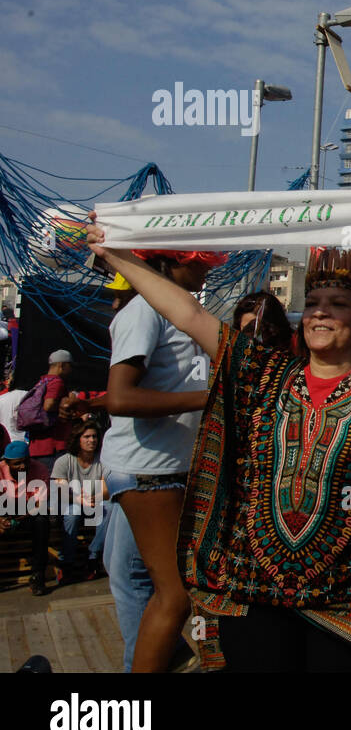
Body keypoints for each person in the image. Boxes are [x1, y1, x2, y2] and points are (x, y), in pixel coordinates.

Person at [87, 223, 351, 673]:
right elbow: (188, 314)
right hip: (256, 588)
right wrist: (115, 254)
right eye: (312, 304)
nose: (320, 314)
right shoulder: (266, 376)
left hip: (350, 598)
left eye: (337, 305)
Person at [98, 249, 222, 673]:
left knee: (133, 579)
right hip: (149, 472)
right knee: (174, 593)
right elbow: (121, 397)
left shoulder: (177, 312)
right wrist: (208, 400)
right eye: (200, 260)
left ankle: (160, 658)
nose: (208, 268)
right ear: (170, 262)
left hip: (160, 469)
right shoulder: (144, 312)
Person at [51, 420, 109, 582]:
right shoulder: (64, 461)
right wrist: (80, 500)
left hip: (93, 502)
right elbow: (61, 491)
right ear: (78, 439)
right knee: (73, 512)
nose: (92, 440)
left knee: (109, 508)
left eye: (95, 436)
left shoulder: (102, 460)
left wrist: (94, 498)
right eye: (87, 436)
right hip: (70, 502)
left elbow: (105, 490)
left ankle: (93, 557)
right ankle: (66, 562)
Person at [0, 438, 53, 595]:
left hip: (28, 511)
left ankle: (38, 575)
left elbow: (39, 505)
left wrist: (17, 519)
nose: (22, 466)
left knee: (42, 520)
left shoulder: (40, 469)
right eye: (17, 464)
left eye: (25, 462)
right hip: (4, 508)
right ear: (7, 463)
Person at [24, 350, 74, 463]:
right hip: (53, 447)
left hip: (37, 445)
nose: (71, 370)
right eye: (70, 365)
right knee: (55, 480)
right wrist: (65, 407)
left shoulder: (42, 381)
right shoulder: (57, 382)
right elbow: (49, 405)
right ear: (62, 365)